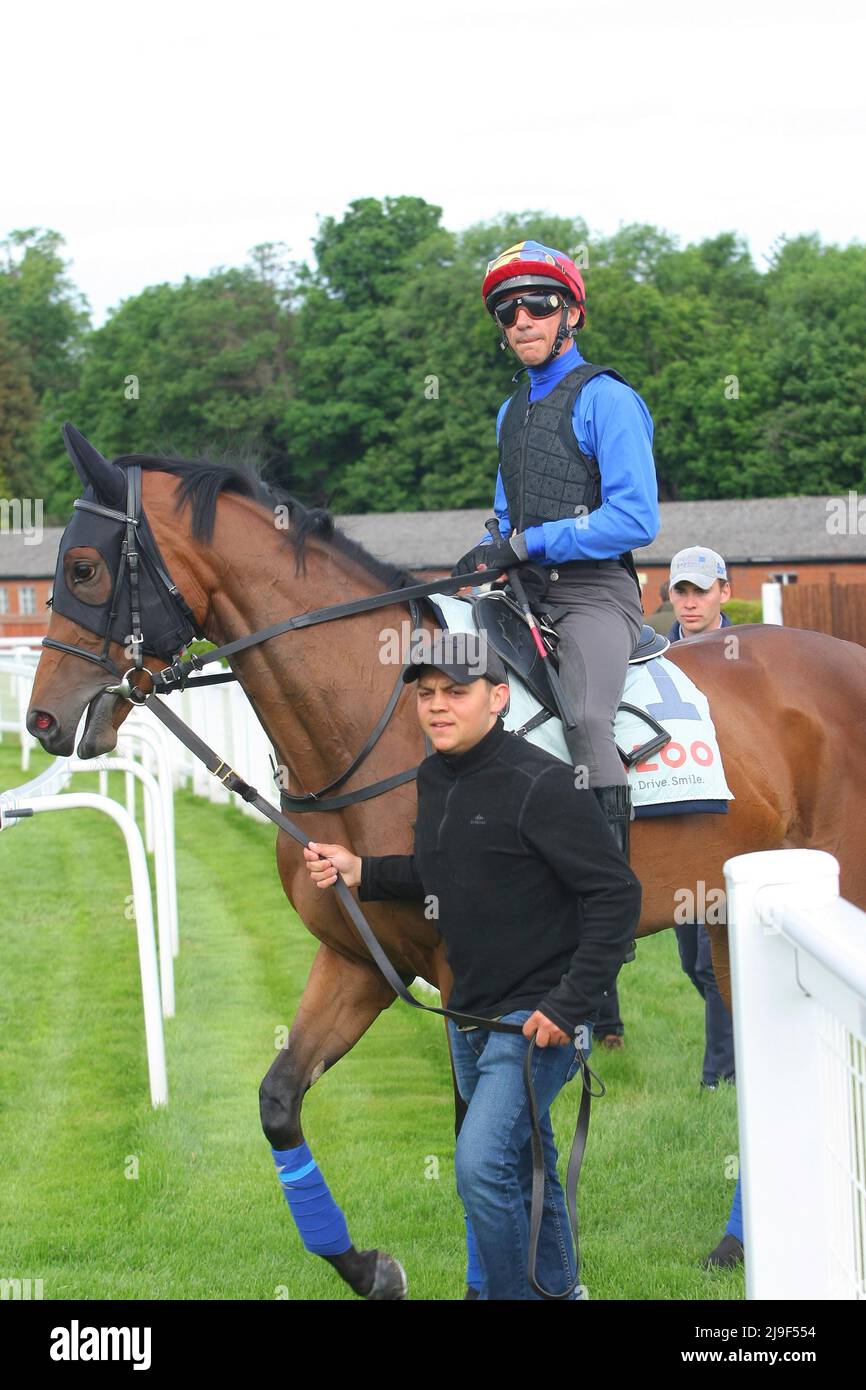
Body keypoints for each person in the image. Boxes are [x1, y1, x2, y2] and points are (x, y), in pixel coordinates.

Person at [303, 632, 641, 1300]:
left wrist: (571, 1005)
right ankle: (563, 1294)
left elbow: (617, 894)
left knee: (481, 1165)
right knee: (517, 1161)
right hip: (468, 1016)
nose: (437, 706)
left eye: (455, 692)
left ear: (498, 697)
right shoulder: (435, 777)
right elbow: (443, 871)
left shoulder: (541, 784)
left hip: (536, 1020)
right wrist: (360, 869)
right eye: (426, 694)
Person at [451, 238, 660, 1048]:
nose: (522, 319)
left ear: (569, 312)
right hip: (521, 595)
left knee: (582, 719)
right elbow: (506, 521)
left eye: (537, 304)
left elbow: (637, 519)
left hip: (594, 592)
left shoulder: (609, 399)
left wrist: (528, 545)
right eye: (509, 310)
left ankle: (601, 958)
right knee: (451, 698)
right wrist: (487, 548)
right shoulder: (511, 412)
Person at [667, 545, 742, 1270]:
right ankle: (723, 1054)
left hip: (735, 826)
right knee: (697, 963)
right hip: (687, 828)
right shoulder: (662, 660)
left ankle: (722, 1063)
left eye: (700, 590)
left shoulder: (747, 660)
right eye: (679, 592)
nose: (689, 602)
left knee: (721, 968)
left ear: (725, 591)